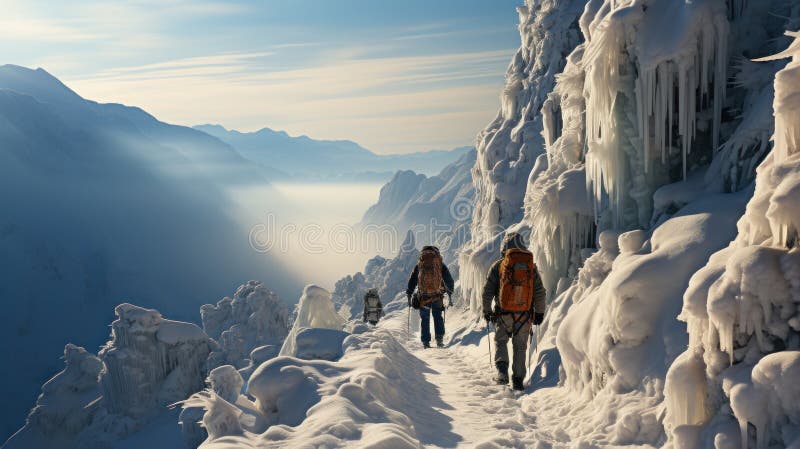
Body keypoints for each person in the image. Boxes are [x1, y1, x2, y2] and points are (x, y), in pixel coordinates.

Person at [482, 232, 546, 390]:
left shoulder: (499, 265)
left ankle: (502, 373)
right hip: (524, 315)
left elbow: (487, 291)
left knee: (501, 341)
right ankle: (518, 380)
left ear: (504, 247)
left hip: (503, 314)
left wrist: (486, 310)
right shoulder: (531, 266)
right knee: (520, 346)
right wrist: (539, 312)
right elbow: (540, 291)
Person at [406, 246, 454, 348]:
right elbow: (448, 279)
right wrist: (449, 292)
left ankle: (426, 342)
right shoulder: (439, 264)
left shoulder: (419, 265)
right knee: (437, 316)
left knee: (425, 319)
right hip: (437, 296)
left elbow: (412, 280)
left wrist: (409, 293)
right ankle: (439, 340)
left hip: (423, 297)